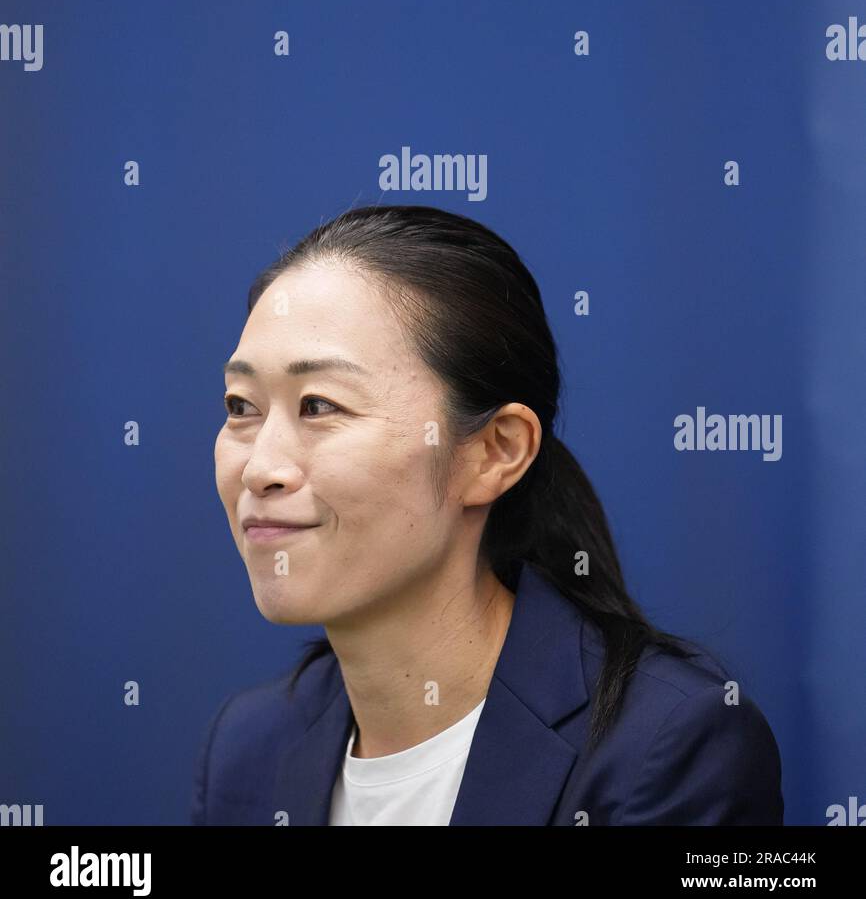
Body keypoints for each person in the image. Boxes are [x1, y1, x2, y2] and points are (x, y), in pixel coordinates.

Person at [190, 204, 783, 826]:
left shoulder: (665, 750)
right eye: (241, 405)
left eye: (319, 405)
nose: (259, 467)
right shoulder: (247, 749)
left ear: (495, 451)